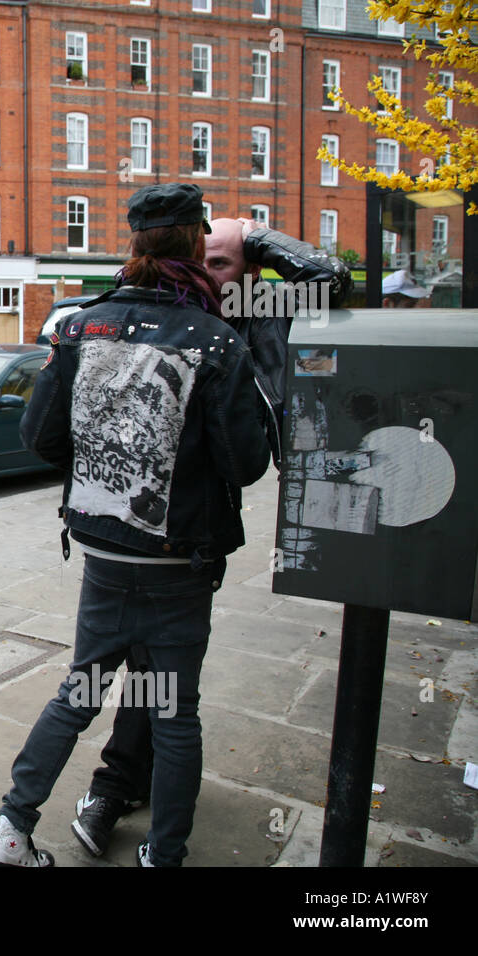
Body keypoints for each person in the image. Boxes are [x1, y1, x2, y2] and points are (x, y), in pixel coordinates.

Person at [0, 183, 272, 867]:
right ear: (195, 243)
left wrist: (104, 460)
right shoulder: (216, 339)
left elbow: (39, 436)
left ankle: (10, 831)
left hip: (106, 556)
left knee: (77, 694)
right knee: (175, 715)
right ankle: (163, 854)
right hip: (180, 565)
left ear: (134, 243)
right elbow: (247, 463)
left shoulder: (80, 326)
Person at [68, 215, 352, 859]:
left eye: (221, 262)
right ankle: (123, 788)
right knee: (149, 665)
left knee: (159, 668)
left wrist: (258, 239)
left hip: (198, 524)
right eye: (200, 257)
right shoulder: (168, 306)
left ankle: (125, 791)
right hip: (135, 522)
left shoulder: (258, 308)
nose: (205, 272)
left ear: (250, 273)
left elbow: (332, 282)